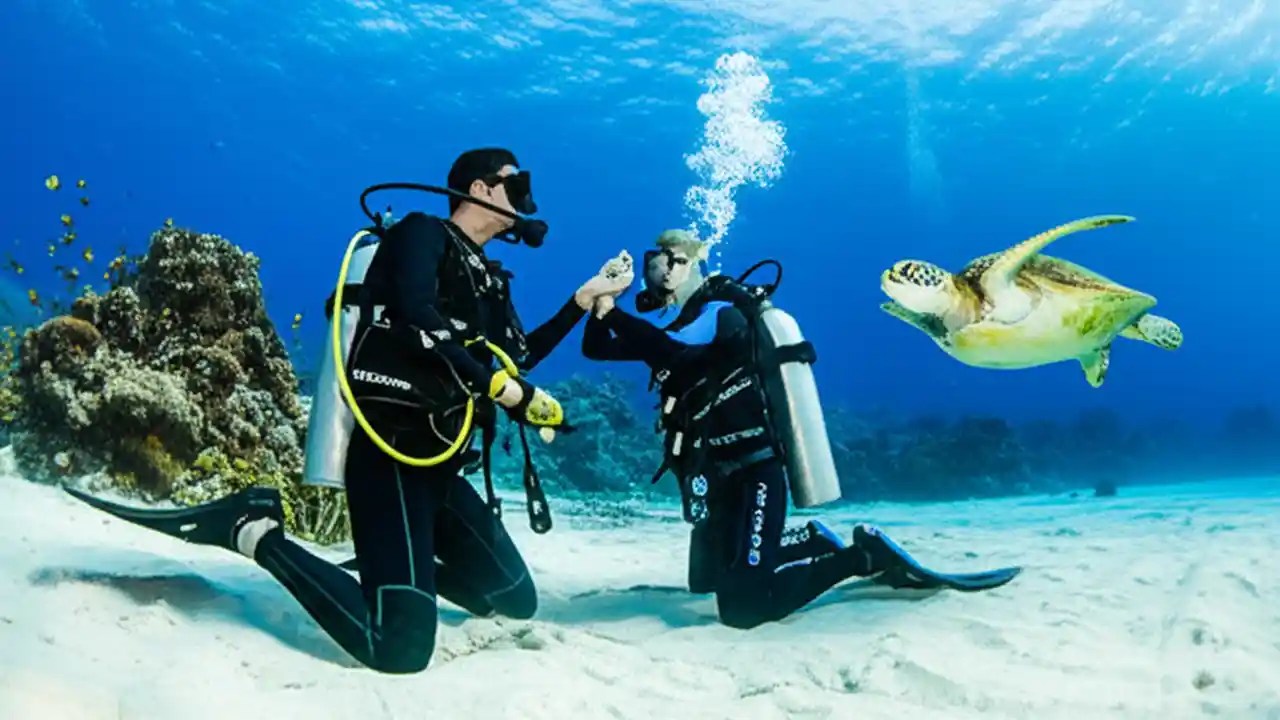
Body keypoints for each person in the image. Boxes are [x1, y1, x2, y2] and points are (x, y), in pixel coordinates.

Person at [66, 148, 633, 673]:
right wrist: (503, 391)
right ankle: (252, 529)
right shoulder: (421, 233)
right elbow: (415, 318)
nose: (525, 200)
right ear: (480, 188)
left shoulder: (488, 279)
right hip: (392, 455)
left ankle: (395, 571)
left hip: (442, 464)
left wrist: (580, 302)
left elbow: (520, 355)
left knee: (514, 599)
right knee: (399, 650)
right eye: (516, 185)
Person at [581, 230, 1019, 629]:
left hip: (753, 472)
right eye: (653, 263)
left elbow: (676, 356)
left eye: (665, 262)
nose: (657, 273)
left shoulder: (725, 315)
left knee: (743, 609)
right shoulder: (677, 325)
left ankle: (861, 557)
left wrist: (612, 313)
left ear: (688, 264)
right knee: (705, 580)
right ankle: (809, 540)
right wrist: (603, 303)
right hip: (714, 475)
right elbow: (596, 348)